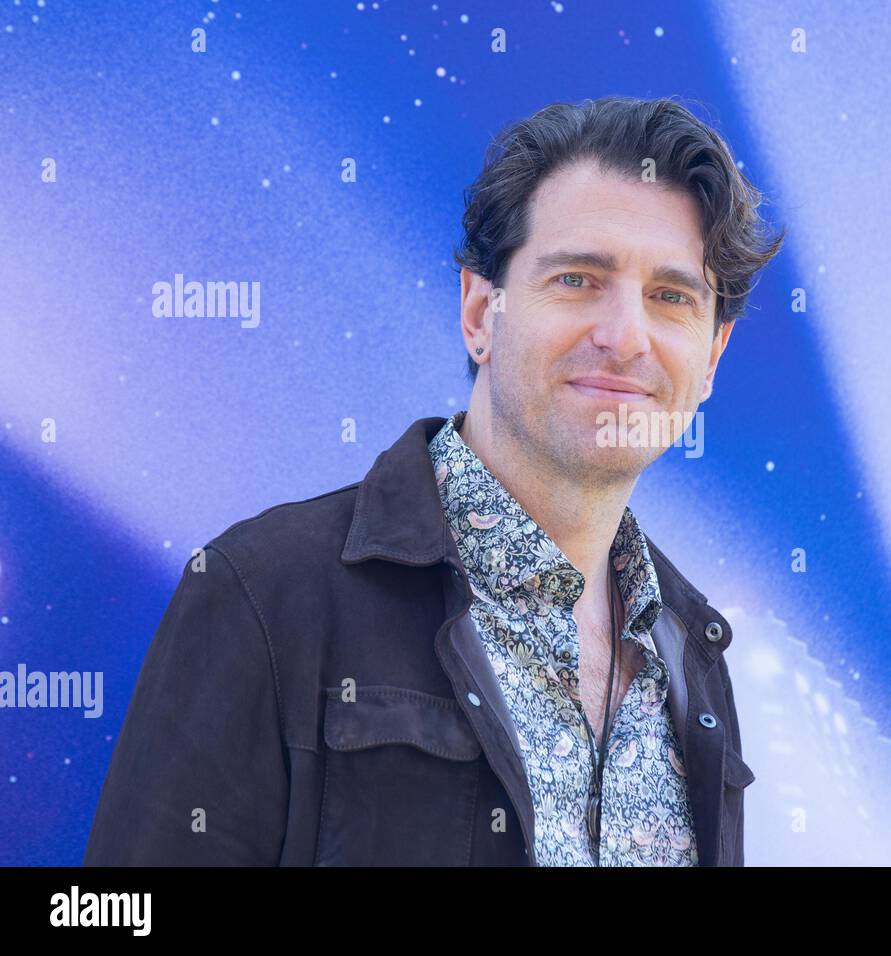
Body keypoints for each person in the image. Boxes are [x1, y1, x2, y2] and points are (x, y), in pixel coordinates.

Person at [83, 94, 784, 866]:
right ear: (481, 312)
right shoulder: (263, 595)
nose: (624, 336)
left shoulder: (692, 653)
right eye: (579, 280)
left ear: (711, 357)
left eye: (671, 297)